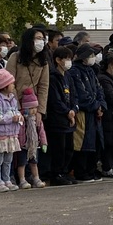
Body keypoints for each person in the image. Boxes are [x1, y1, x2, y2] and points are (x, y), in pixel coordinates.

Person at [6, 27, 50, 189]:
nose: (41, 41)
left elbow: (44, 86)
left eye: (42, 38)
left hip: (33, 107)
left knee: (32, 142)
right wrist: (16, 108)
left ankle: (32, 175)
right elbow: (9, 82)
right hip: (15, 106)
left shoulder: (43, 61)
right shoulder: (15, 57)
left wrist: (40, 110)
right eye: (37, 38)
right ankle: (11, 175)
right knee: (13, 144)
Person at [0, 68, 24, 192]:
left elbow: (16, 110)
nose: (13, 85)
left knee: (9, 159)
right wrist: (11, 118)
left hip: (12, 134)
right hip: (1, 135)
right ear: (5, 86)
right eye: (11, 83)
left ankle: (7, 179)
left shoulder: (13, 99)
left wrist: (19, 117)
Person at [72, 44, 106, 181]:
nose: (93, 58)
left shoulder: (91, 71)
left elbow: (99, 90)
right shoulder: (75, 71)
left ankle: (91, 170)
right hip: (83, 113)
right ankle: (81, 171)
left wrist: (101, 106)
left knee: (96, 142)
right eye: (90, 55)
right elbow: (81, 94)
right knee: (83, 143)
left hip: (95, 113)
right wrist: (95, 105)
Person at [44, 45, 78, 185]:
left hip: (70, 118)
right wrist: (66, 111)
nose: (69, 62)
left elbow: (74, 96)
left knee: (69, 148)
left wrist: (74, 110)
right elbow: (54, 100)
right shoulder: (53, 77)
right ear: (58, 60)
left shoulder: (68, 76)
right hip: (57, 119)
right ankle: (56, 174)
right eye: (66, 59)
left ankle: (64, 171)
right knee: (59, 148)